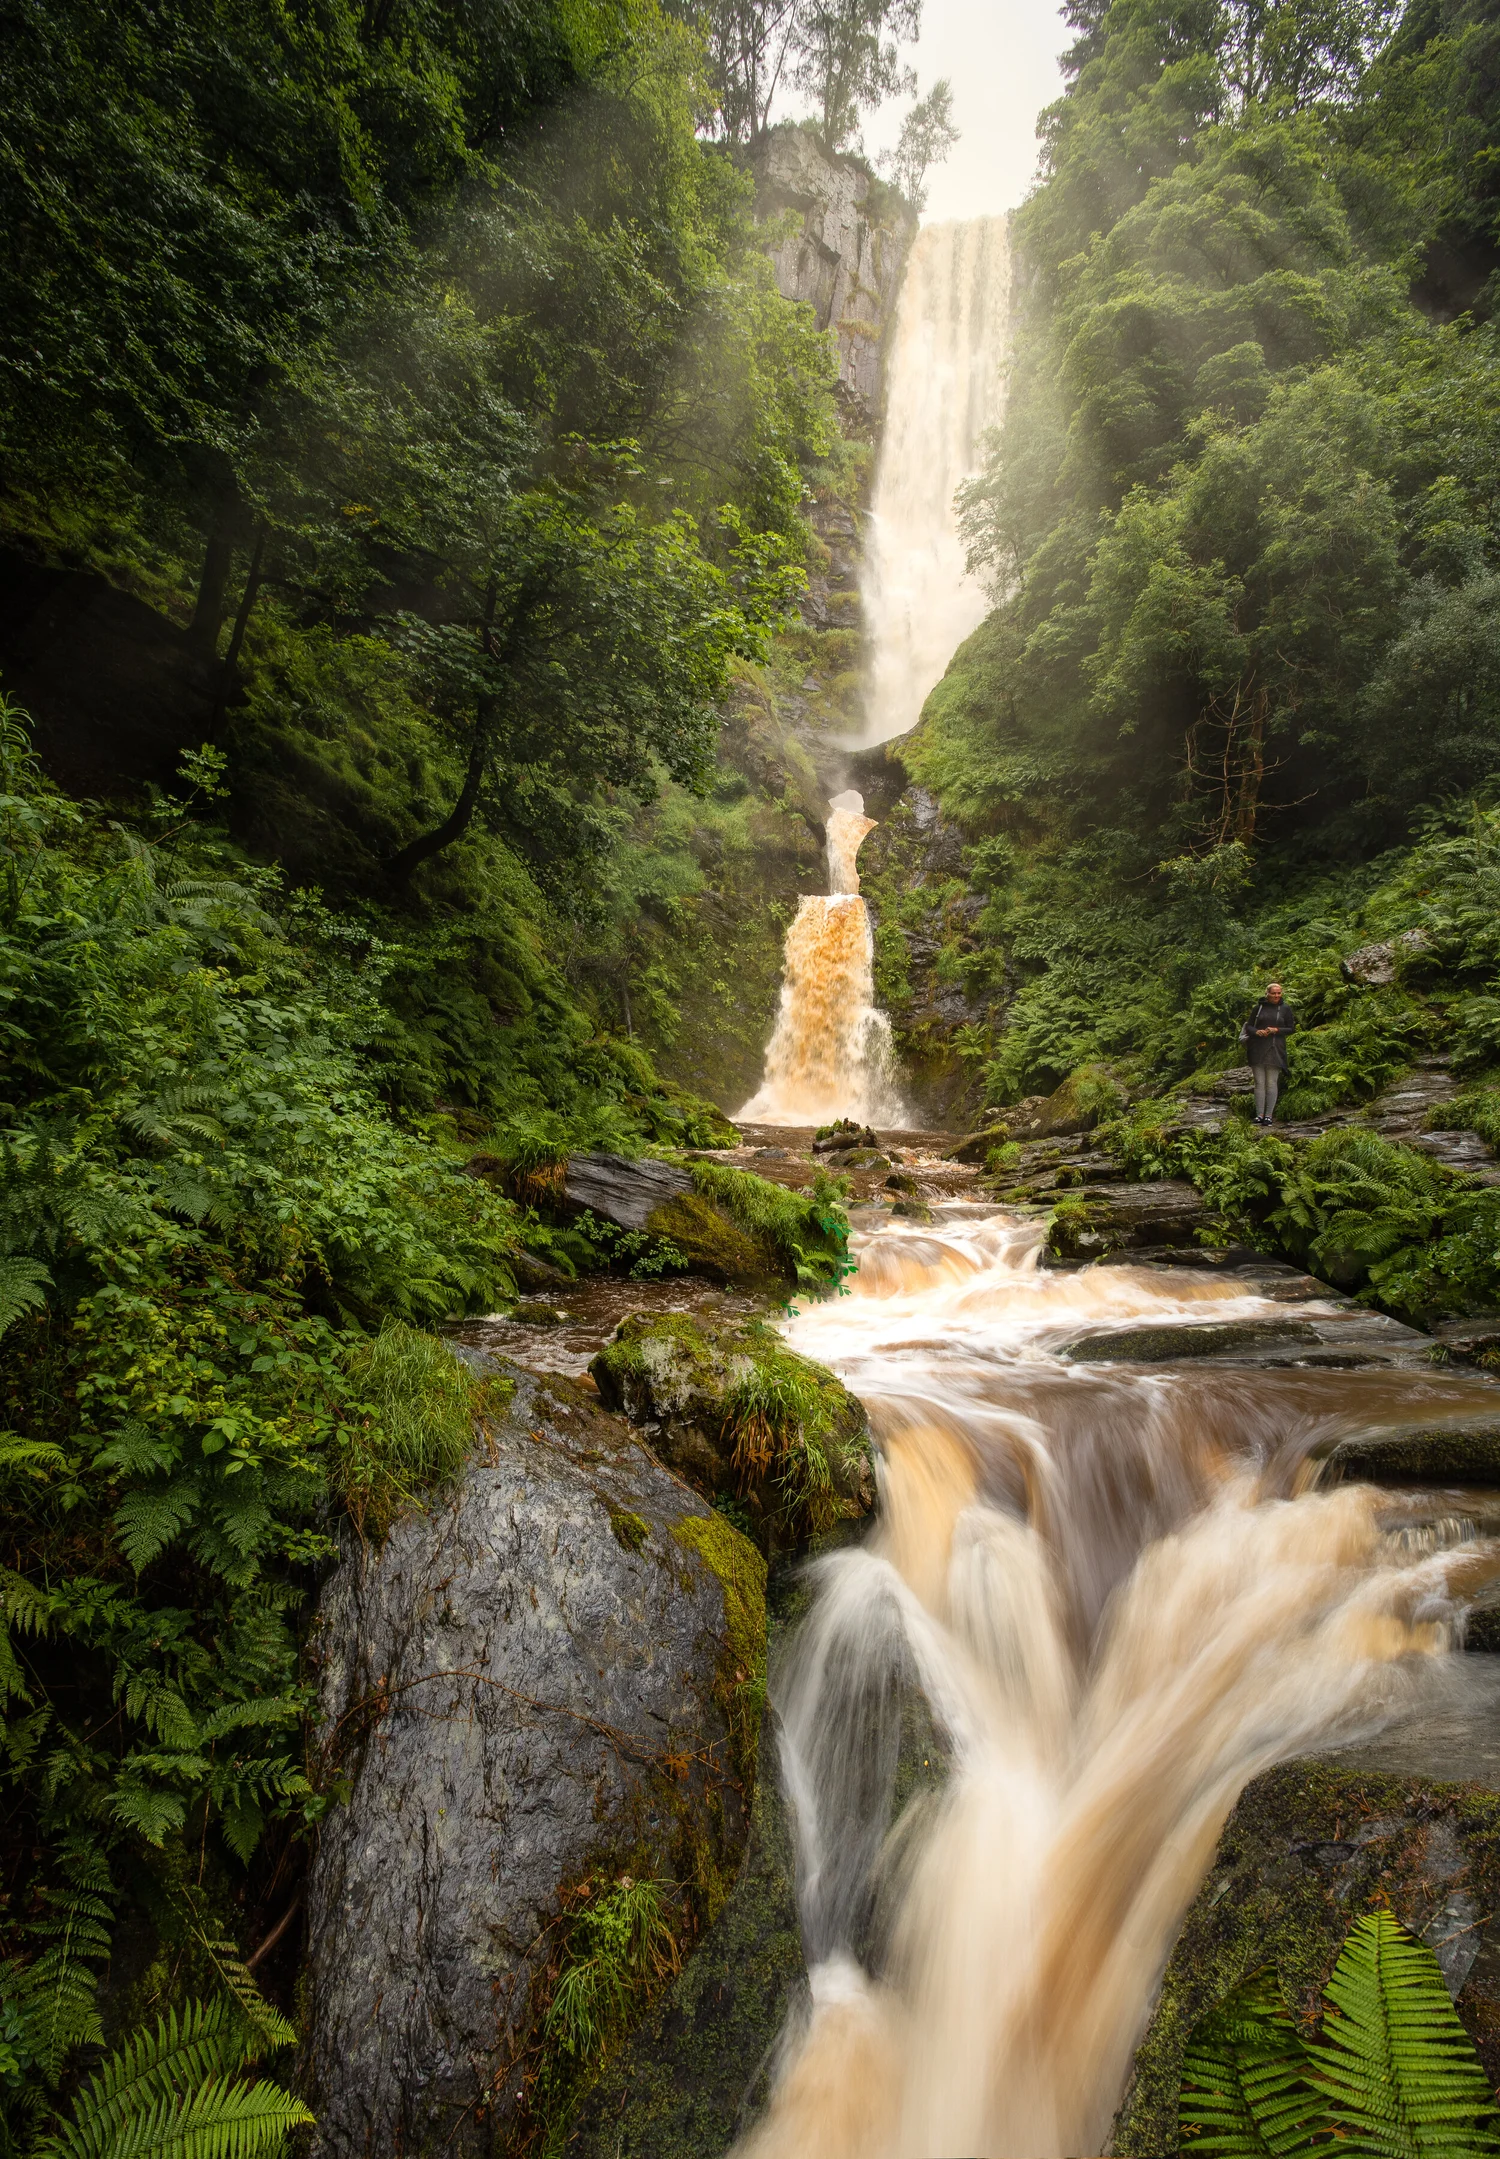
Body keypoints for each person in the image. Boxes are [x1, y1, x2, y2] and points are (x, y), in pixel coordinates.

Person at [1239, 981, 1297, 1125]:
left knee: (1271, 1083)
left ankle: (1269, 1115)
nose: (1276, 996)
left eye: (1279, 993)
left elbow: (1291, 1028)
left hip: (1275, 1048)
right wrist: (1257, 1032)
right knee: (1259, 1083)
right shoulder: (1258, 1008)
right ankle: (1259, 1114)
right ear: (1267, 994)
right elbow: (1249, 1027)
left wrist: (1276, 1030)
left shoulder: (1285, 1009)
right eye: (1273, 993)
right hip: (1257, 1048)